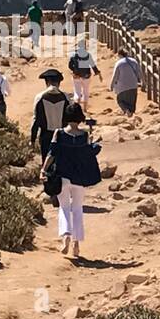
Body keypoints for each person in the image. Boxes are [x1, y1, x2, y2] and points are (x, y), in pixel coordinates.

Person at [41, 101, 102, 259]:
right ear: (80, 117)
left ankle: (66, 235)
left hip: (63, 176)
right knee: (77, 208)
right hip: (80, 178)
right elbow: (89, 153)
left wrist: (43, 169)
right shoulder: (84, 135)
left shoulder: (59, 133)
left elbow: (51, 153)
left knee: (64, 207)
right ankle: (76, 243)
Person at [30, 68, 69, 164]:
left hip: (46, 136)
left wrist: (32, 139)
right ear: (59, 82)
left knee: (46, 163)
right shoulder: (66, 97)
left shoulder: (40, 97)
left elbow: (35, 119)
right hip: (62, 135)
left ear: (47, 82)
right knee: (61, 163)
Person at [67, 37, 101, 105]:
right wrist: (97, 72)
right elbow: (92, 65)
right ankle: (85, 108)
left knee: (77, 92)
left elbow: (70, 66)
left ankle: (77, 104)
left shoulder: (74, 55)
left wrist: (74, 71)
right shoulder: (88, 55)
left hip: (76, 75)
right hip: (86, 75)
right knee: (85, 92)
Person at [109, 47, 142, 115]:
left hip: (122, 86)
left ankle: (126, 110)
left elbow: (115, 76)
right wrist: (143, 82)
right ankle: (131, 116)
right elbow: (139, 73)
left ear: (120, 55)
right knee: (132, 103)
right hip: (133, 85)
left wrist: (111, 85)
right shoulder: (134, 61)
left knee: (120, 100)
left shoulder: (119, 63)